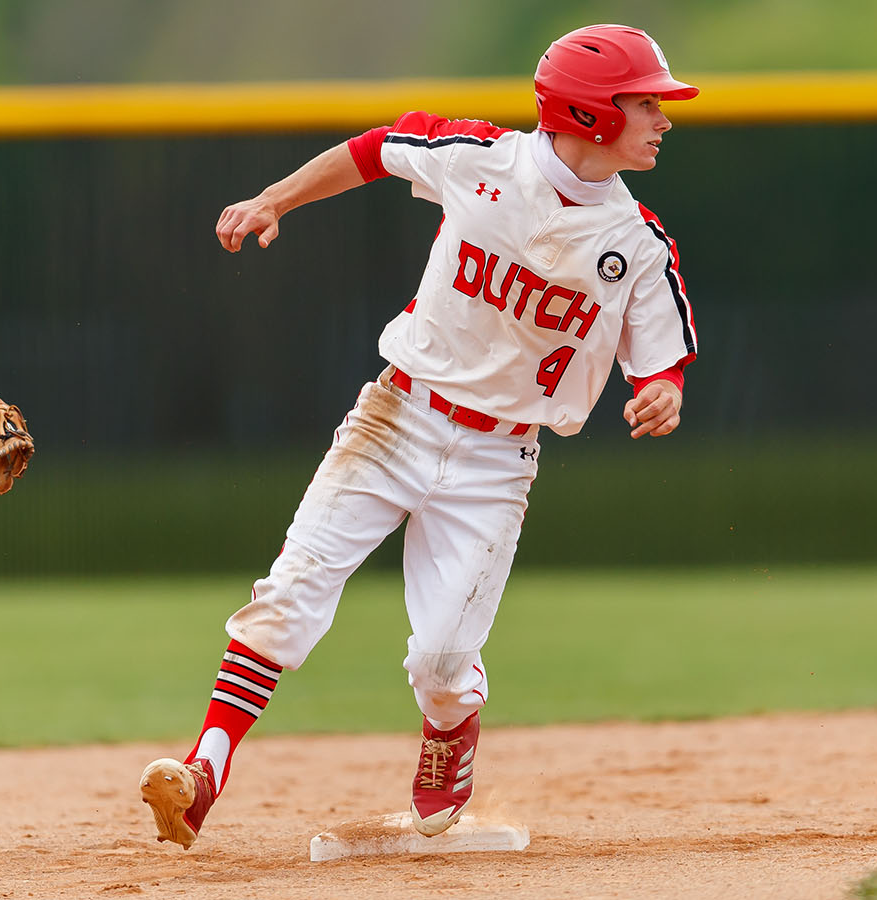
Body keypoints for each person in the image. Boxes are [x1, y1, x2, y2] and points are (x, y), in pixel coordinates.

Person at [139, 23, 699, 846]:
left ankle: (450, 733)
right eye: (645, 103)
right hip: (397, 414)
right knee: (291, 593)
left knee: (441, 662)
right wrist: (274, 199)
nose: (663, 118)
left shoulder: (637, 243)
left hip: (498, 459)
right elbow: (374, 149)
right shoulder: (481, 159)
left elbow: (660, 359)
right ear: (586, 113)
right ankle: (202, 773)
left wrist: (662, 393)